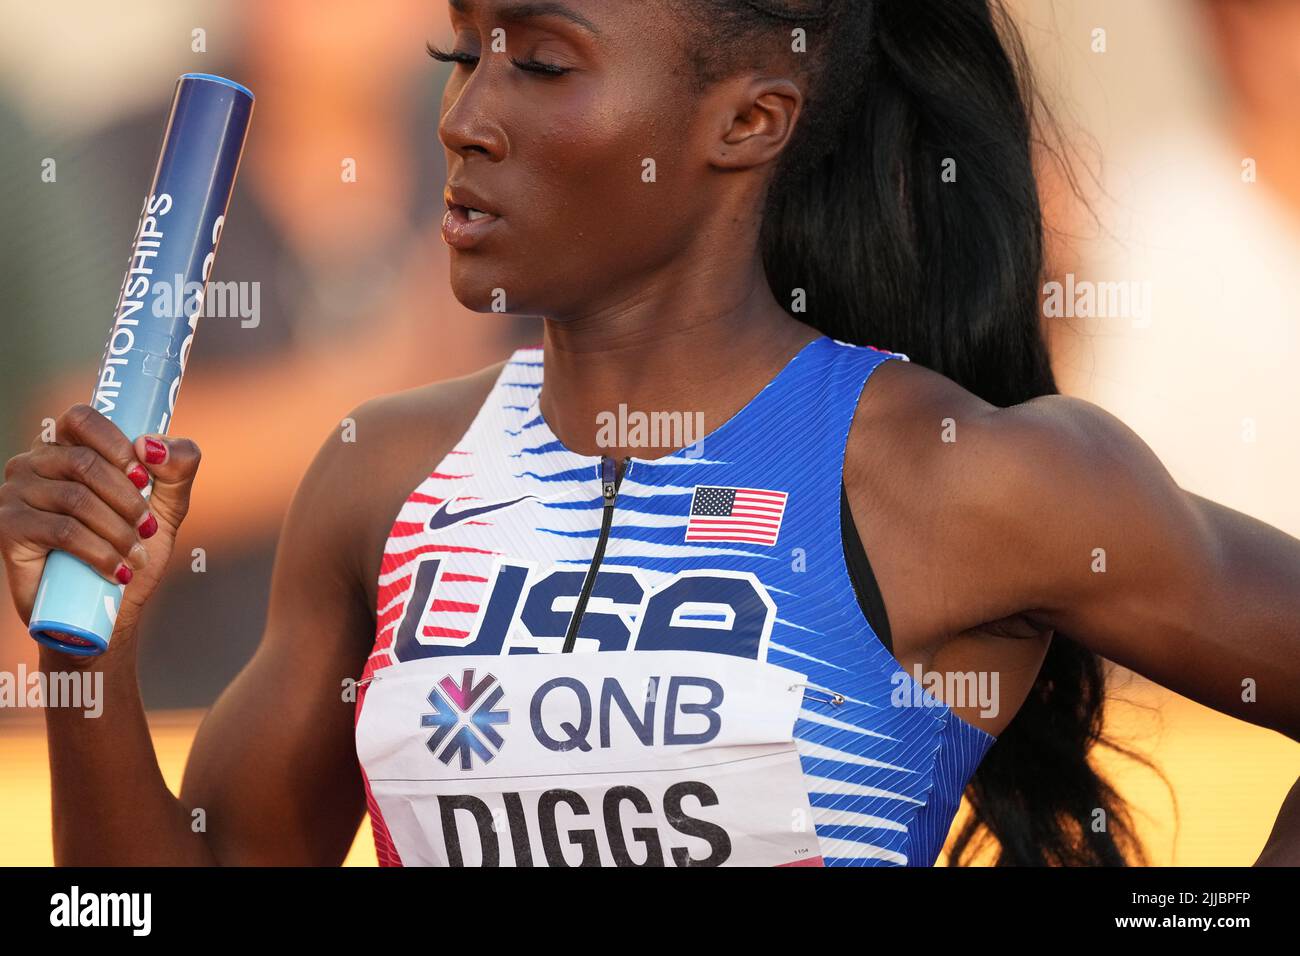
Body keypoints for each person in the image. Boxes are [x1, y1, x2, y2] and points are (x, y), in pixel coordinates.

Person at [2, 0, 1297, 867]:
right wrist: (89, 664)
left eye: (542, 63)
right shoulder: (382, 480)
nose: (464, 118)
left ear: (749, 119)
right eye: (463, 53)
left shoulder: (949, 476)